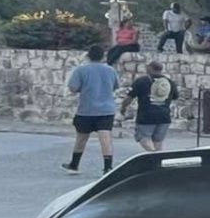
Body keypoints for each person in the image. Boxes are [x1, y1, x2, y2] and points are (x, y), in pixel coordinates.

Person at [63, 45, 121, 174]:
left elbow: (73, 88)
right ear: (103, 56)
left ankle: (74, 164)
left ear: (88, 55)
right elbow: (115, 86)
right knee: (105, 137)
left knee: (81, 138)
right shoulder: (110, 70)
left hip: (86, 109)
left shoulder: (81, 70)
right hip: (106, 109)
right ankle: (107, 167)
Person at [118, 60, 177, 152]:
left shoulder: (141, 81)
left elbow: (129, 97)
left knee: (143, 138)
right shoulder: (170, 82)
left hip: (146, 116)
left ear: (149, 68)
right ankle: (157, 161)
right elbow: (175, 97)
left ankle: (153, 153)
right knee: (158, 141)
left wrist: (123, 108)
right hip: (164, 116)